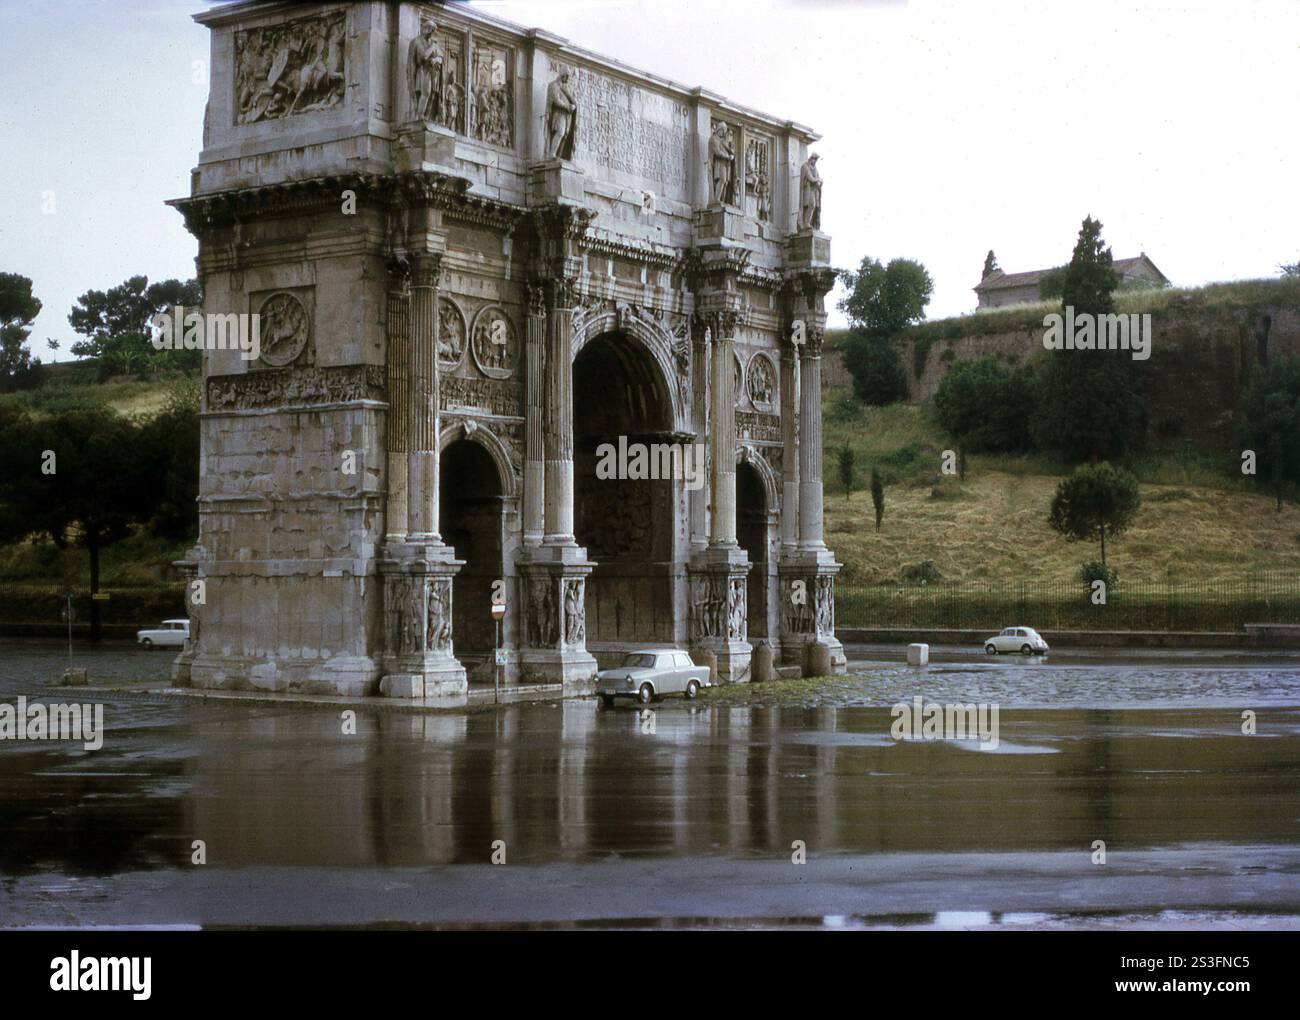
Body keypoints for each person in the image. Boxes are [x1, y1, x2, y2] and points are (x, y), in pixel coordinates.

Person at [546, 70, 578, 159]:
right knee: (560, 132)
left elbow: (571, 100)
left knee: (564, 134)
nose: (567, 80)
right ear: (562, 76)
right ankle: (552, 153)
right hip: (558, 114)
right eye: (566, 77)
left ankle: (557, 154)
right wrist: (568, 106)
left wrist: (573, 106)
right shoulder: (554, 85)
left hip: (565, 115)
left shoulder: (564, 88)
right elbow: (556, 100)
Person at [799, 153, 823, 230]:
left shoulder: (815, 168)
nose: (815, 161)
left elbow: (817, 177)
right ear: (811, 158)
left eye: (816, 160)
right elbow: (811, 178)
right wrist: (818, 180)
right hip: (807, 190)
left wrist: (819, 182)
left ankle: (808, 222)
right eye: (814, 159)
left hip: (813, 190)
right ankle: (806, 222)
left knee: (813, 205)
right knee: (810, 205)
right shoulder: (805, 167)